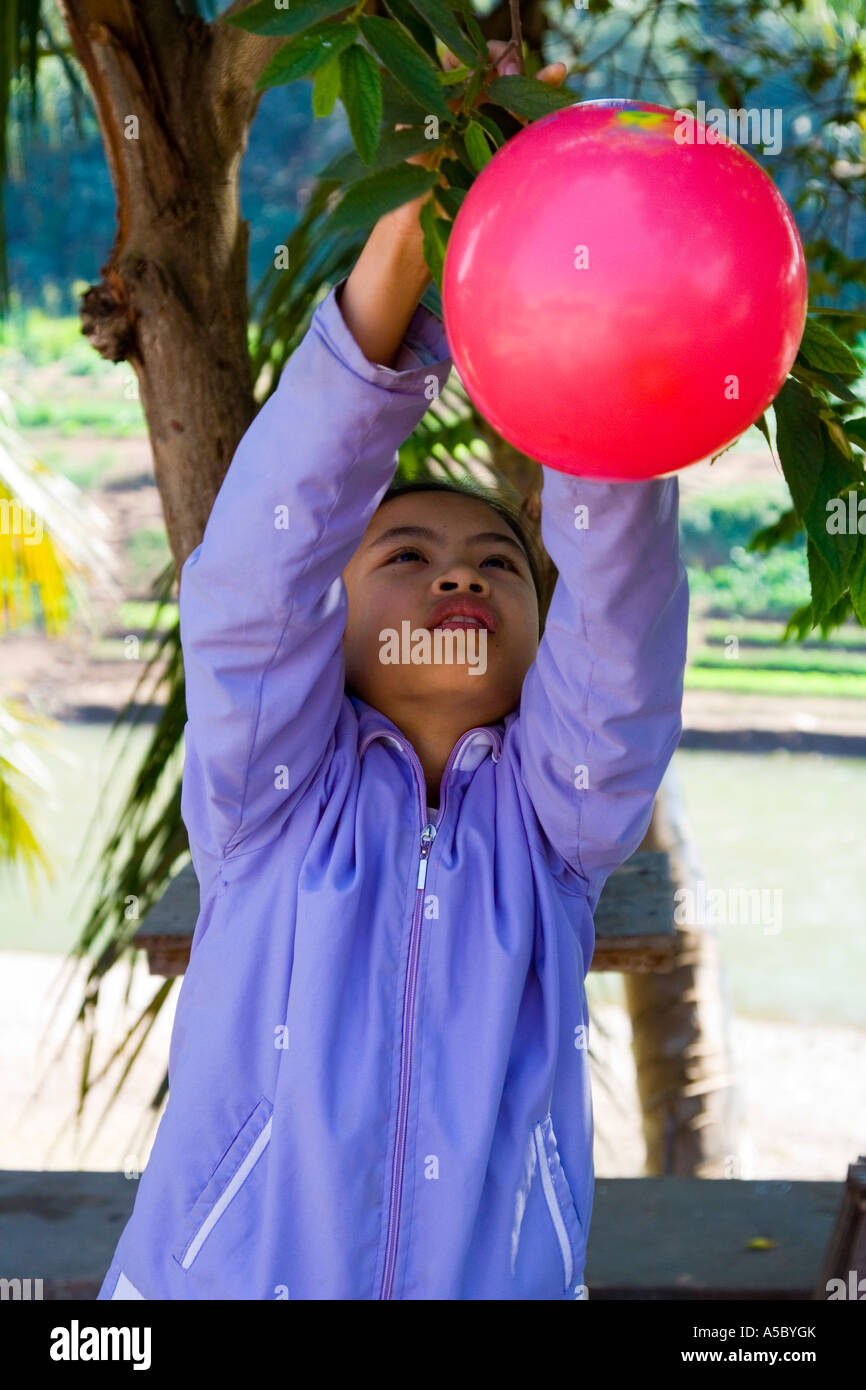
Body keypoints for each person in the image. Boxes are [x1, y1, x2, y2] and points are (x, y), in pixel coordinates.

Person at [97, 44, 688, 1302]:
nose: (458, 578)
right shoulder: (265, 805)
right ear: (339, 635)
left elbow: (623, 625)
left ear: (539, 648)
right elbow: (253, 579)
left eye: (498, 566)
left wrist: (577, 346)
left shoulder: (560, 828)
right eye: (405, 555)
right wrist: (397, 288)